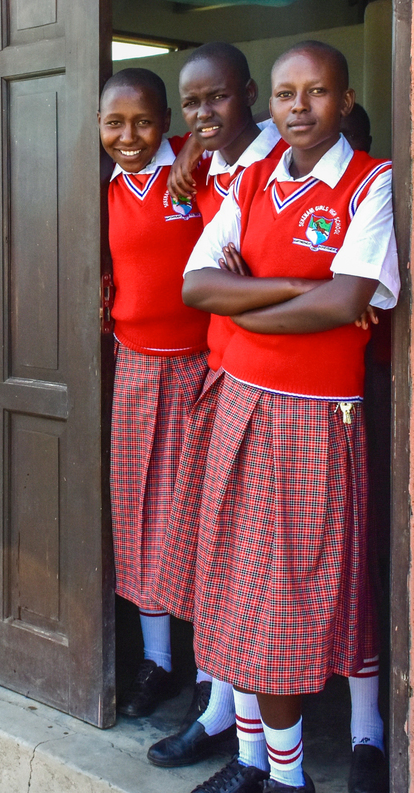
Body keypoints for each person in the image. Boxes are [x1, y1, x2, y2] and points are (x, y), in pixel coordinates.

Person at [180, 41, 398, 793]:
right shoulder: (254, 178)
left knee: (286, 600)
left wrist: (257, 303)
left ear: (343, 101)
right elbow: (199, 284)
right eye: (284, 94)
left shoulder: (372, 184)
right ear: (266, 102)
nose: (298, 107)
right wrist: (295, 291)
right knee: (236, 586)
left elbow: (349, 299)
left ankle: (291, 774)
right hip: (239, 399)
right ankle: (257, 765)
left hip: (314, 418)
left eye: (317, 92)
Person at [148, 42, 287, 769]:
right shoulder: (204, 163)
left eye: (218, 98)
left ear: (251, 95)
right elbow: (201, 276)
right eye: (193, 101)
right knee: (223, 562)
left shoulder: (272, 165)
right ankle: (220, 715)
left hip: (275, 381)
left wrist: (246, 281)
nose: (204, 113)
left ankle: (265, 749)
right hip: (222, 367)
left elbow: (279, 270)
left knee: (259, 572)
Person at [99, 68, 210, 719]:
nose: (129, 135)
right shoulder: (107, 187)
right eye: (114, 123)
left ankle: (212, 669)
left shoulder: (195, 176)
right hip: (136, 365)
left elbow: (246, 137)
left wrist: (194, 147)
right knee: (140, 512)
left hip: (200, 367)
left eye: (143, 121)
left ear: (167, 119)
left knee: (197, 514)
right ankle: (159, 661)